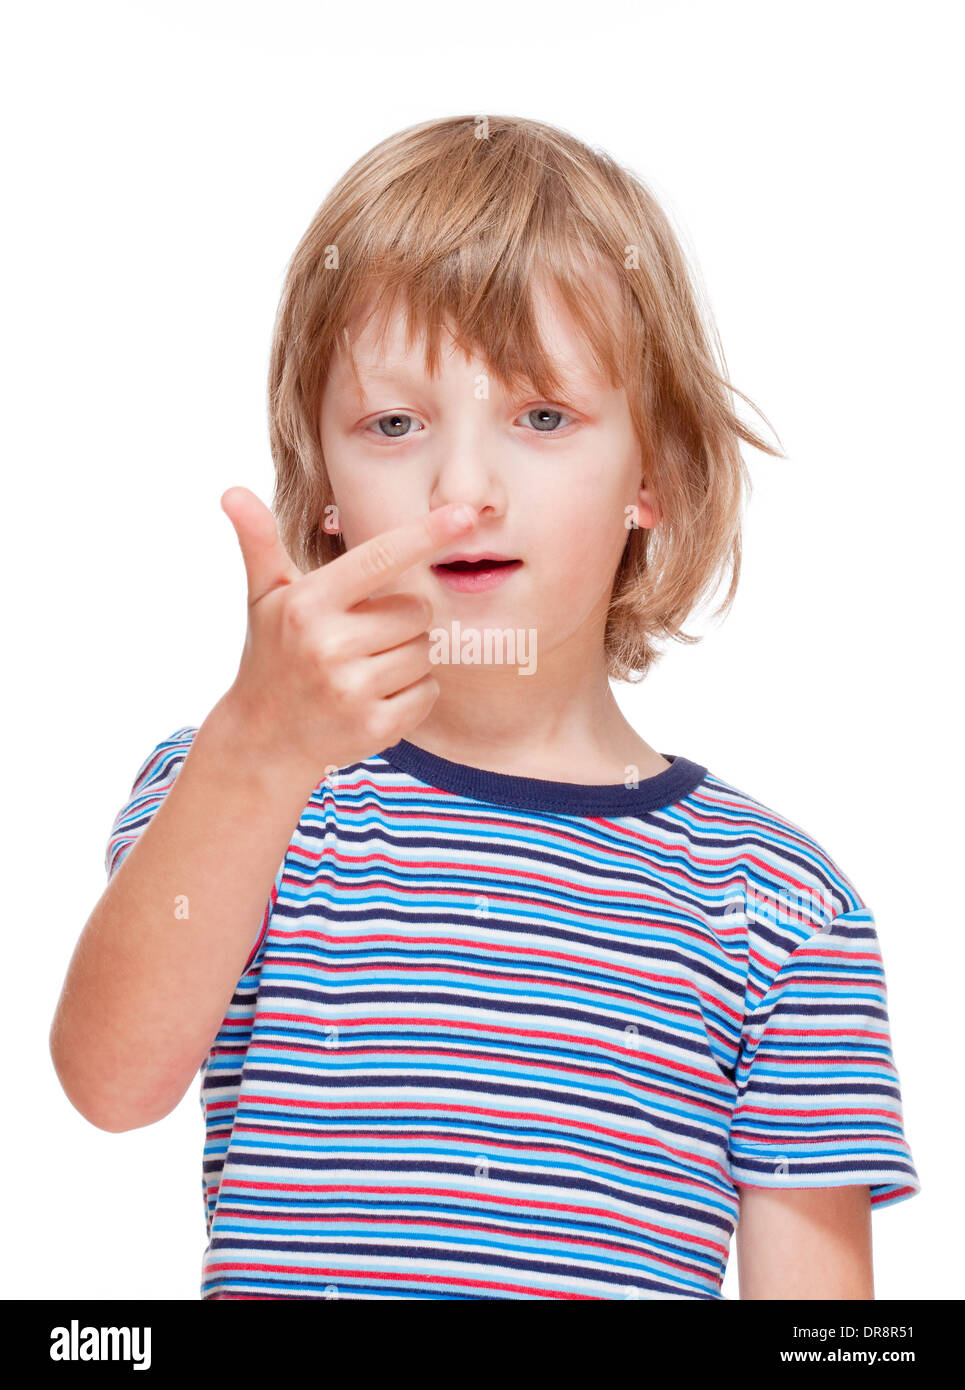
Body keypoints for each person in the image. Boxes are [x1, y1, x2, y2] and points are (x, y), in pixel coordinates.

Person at [49, 114, 919, 1300]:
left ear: (652, 473)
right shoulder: (248, 787)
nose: (463, 488)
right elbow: (109, 1080)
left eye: (543, 418)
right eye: (394, 424)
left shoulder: (778, 907)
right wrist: (254, 749)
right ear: (326, 491)